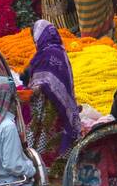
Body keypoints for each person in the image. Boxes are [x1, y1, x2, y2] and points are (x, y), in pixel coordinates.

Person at [21, 20, 81, 161]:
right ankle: (62, 160)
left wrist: (31, 88)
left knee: (45, 132)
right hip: (61, 100)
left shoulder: (47, 54)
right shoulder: (60, 51)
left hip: (48, 102)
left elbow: (42, 80)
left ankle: (45, 163)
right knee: (58, 130)